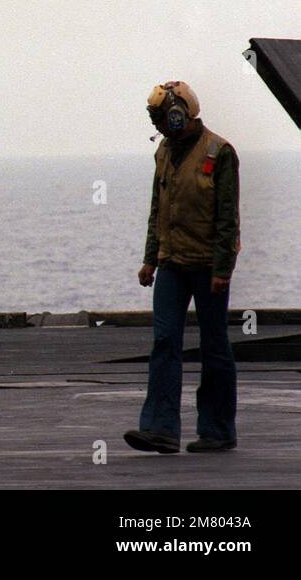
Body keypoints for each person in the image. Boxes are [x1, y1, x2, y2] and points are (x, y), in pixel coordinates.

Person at [125, 81, 240, 454]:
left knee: (214, 346)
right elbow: (158, 208)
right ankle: (160, 429)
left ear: (181, 113)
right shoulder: (163, 152)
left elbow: (227, 218)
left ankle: (218, 430)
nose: (160, 127)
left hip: (208, 267)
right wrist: (149, 259)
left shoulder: (219, 152)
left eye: (164, 118)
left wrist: (223, 269)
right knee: (164, 342)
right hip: (171, 265)